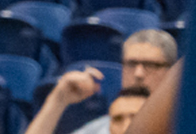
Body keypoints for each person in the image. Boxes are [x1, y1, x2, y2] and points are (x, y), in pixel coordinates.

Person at [24, 30, 177, 134]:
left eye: (150, 65)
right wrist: (58, 100)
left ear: (170, 72)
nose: (138, 74)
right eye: (131, 64)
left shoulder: (183, 125)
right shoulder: (102, 127)